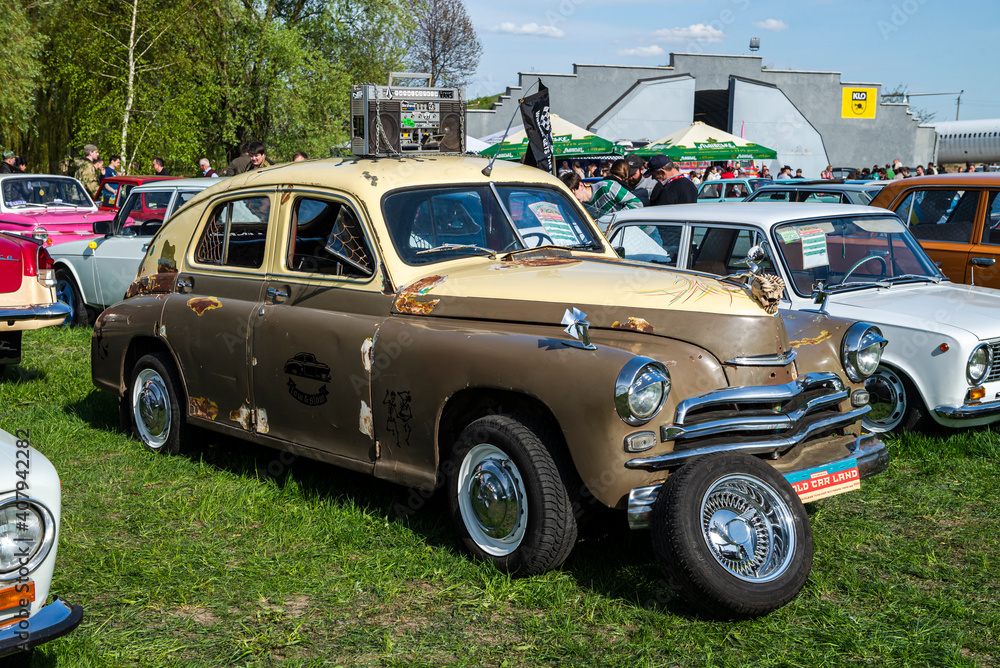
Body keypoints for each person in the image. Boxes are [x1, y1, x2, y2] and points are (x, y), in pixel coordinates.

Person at [560, 169, 641, 220]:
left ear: (581, 185)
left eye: (573, 193)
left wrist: (611, 219)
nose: (572, 198)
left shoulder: (606, 188)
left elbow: (637, 204)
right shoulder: (581, 207)